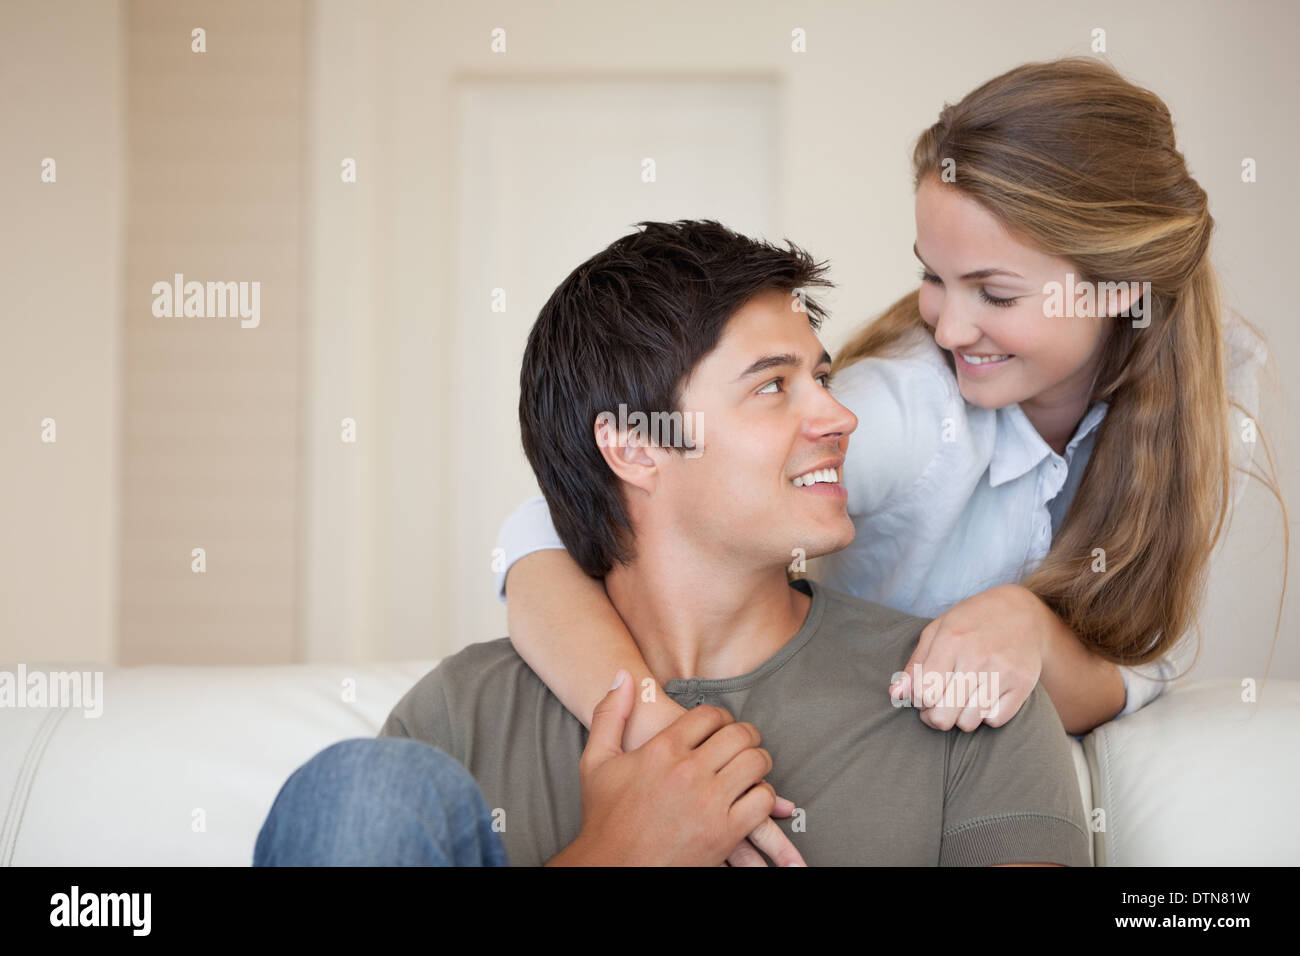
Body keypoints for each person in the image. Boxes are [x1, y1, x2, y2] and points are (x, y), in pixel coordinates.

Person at [494, 57, 1286, 763]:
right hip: (845, 755)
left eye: (995, 292)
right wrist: (653, 732)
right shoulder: (905, 409)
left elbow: (1145, 662)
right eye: (932, 277)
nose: (946, 325)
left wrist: (1029, 633)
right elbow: (554, 526)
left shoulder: (1206, 409)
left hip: (966, 771)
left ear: (1122, 291)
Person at [255, 219, 1091, 867]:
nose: (839, 417)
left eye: (823, 379)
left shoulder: (961, 700)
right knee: (353, 790)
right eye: (773, 386)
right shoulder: (461, 715)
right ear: (636, 446)